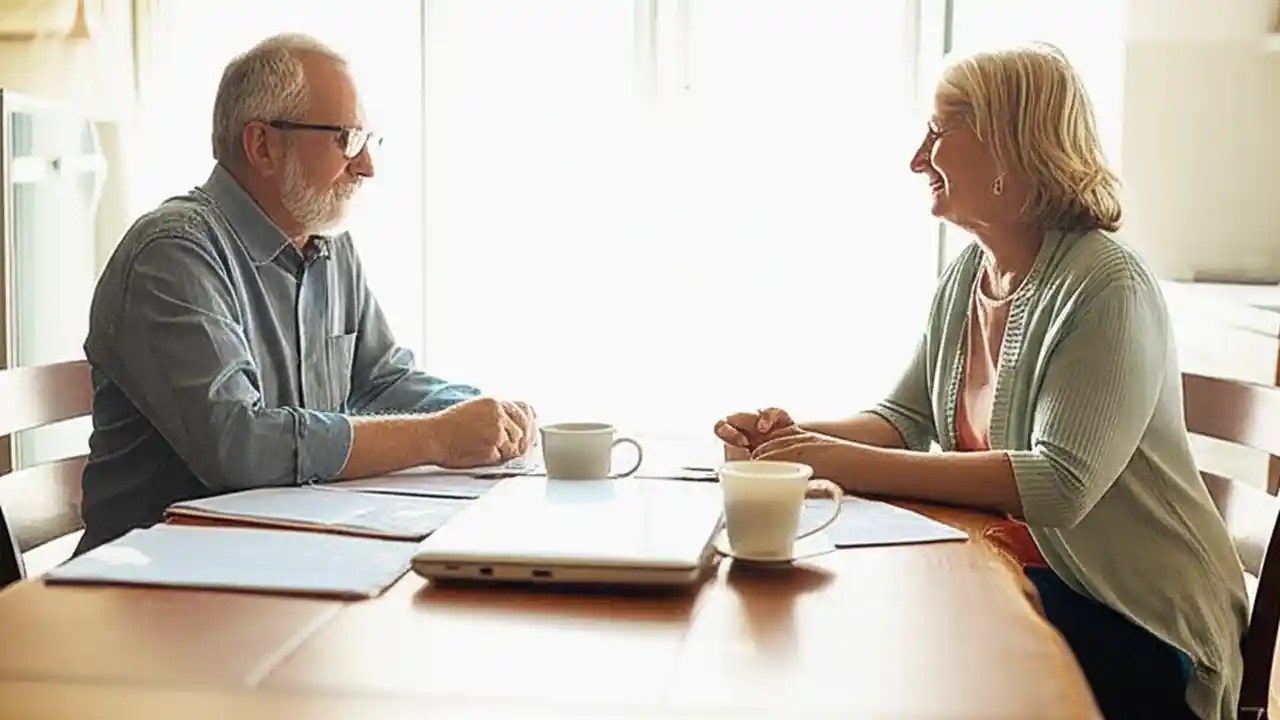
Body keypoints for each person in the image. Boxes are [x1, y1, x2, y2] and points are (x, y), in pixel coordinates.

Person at [714, 43, 1247, 720]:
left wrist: (844, 464)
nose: (917, 157)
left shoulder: (1107, 285)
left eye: (938, 132)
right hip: (1030, 582)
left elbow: (1059, 485)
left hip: (1142, 622)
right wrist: (786, 444)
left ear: (1005, 144)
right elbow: (902, 419)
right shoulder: (971, 273)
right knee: (876, 626)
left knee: (902, 651)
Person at [77, 33, 536, 553]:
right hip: (150, 581)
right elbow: (238, 444)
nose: (367, 167)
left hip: (281, 555)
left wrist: (491, 417)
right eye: (347, 140)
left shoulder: (329, 246)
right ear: (262, 146)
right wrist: (436, 437)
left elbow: (381, 381)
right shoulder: (173, 253)